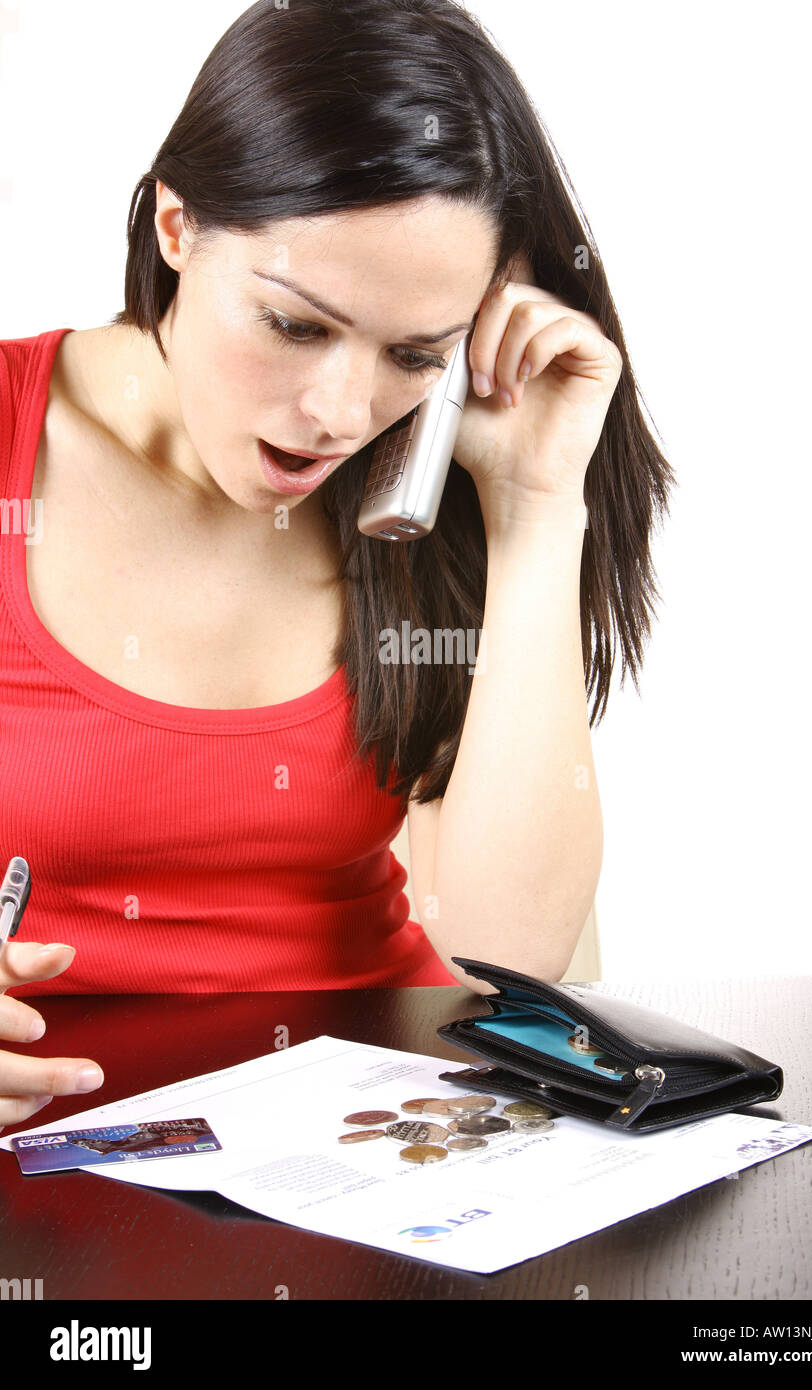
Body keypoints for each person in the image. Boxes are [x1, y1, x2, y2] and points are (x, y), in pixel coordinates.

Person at [0, 0, 674, 1134]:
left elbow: (497, 957)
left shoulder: (425, 479)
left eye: (414, 353)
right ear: (176, 226)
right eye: (295, 325)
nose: (340, 413)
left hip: (377, 1139)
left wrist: (532, 506)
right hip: (62, 1164)